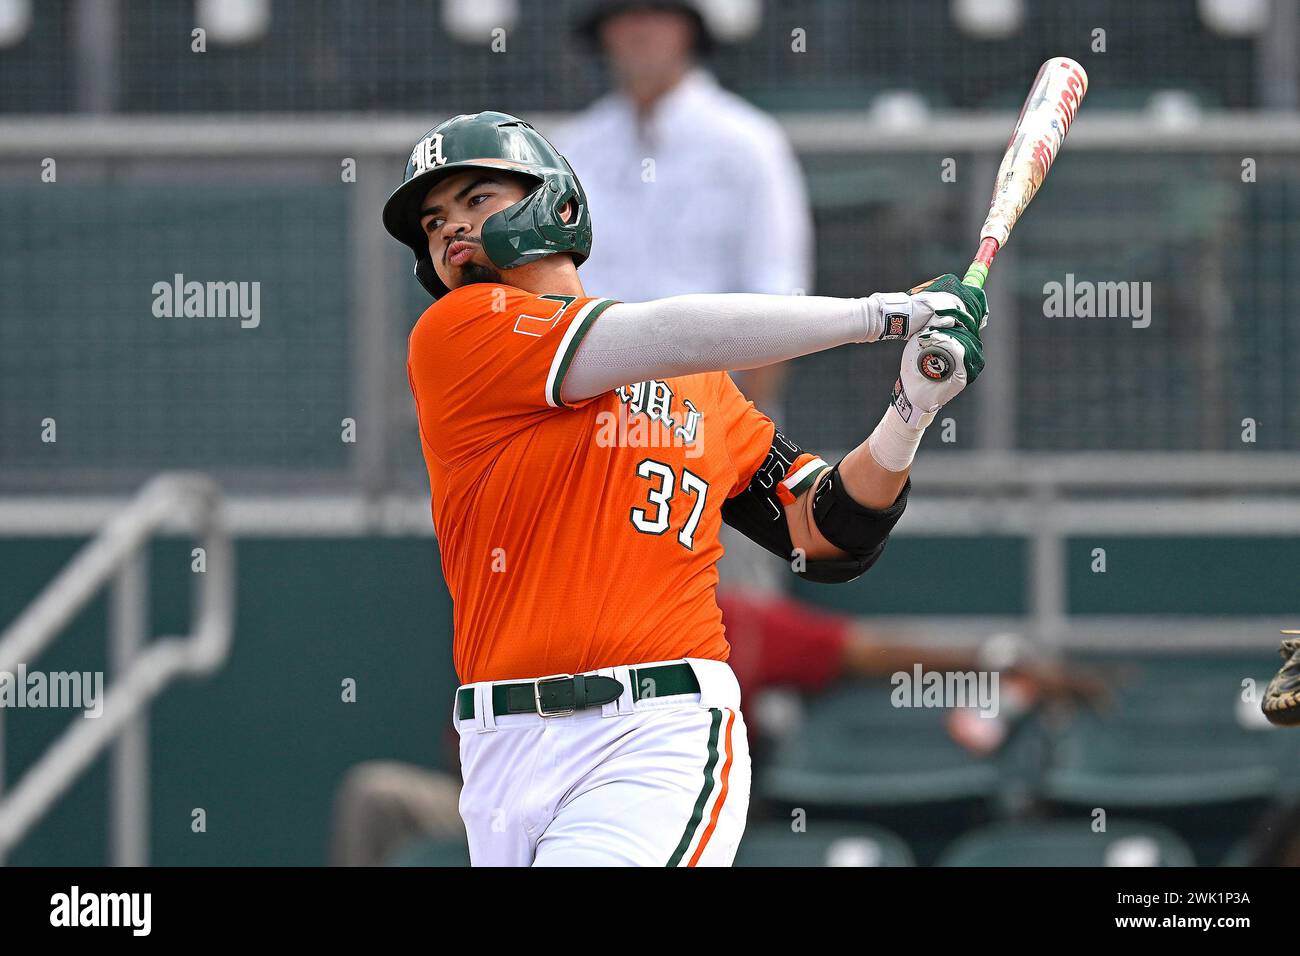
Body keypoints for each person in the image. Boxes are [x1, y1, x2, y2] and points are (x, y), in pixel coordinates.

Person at [381, 110, 987, 866]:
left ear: (556, 205)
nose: (451, 229)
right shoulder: (455, 337)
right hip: (500, 748)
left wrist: (910, 411)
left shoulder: (700, 384)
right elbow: (667, 334)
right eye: (433, 221)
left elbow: (829, 534)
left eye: (476, 199)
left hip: (652, 733)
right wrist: (882, 316)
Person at [555, 0, 814, 595]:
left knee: (731, 632)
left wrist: (732, 452)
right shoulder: (572, 146)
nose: (641, 28)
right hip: (586, 440)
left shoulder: (749, 143)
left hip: (711, 433)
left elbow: (780, 305)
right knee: (590, 630)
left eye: (659, 12)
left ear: (690, 31)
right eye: (623, 14)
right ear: (604, 33)